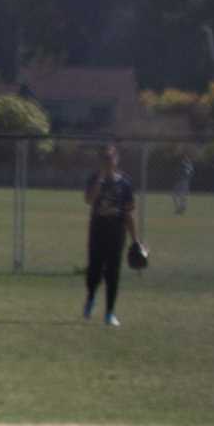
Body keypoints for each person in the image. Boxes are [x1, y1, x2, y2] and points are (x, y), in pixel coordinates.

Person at [82, 141, 138, 328]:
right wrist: (101, 179)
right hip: (98, 231)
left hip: (116, 233)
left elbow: (129, 212)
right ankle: (91, 298)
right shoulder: (94, 178)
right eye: (105, 158)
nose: (108, 161)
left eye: (111, 158)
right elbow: (89, 200)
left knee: (113, 273)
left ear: (117, 159)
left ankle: (109, 313)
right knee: (94, 271)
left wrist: (135, 240)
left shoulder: (125, 183)